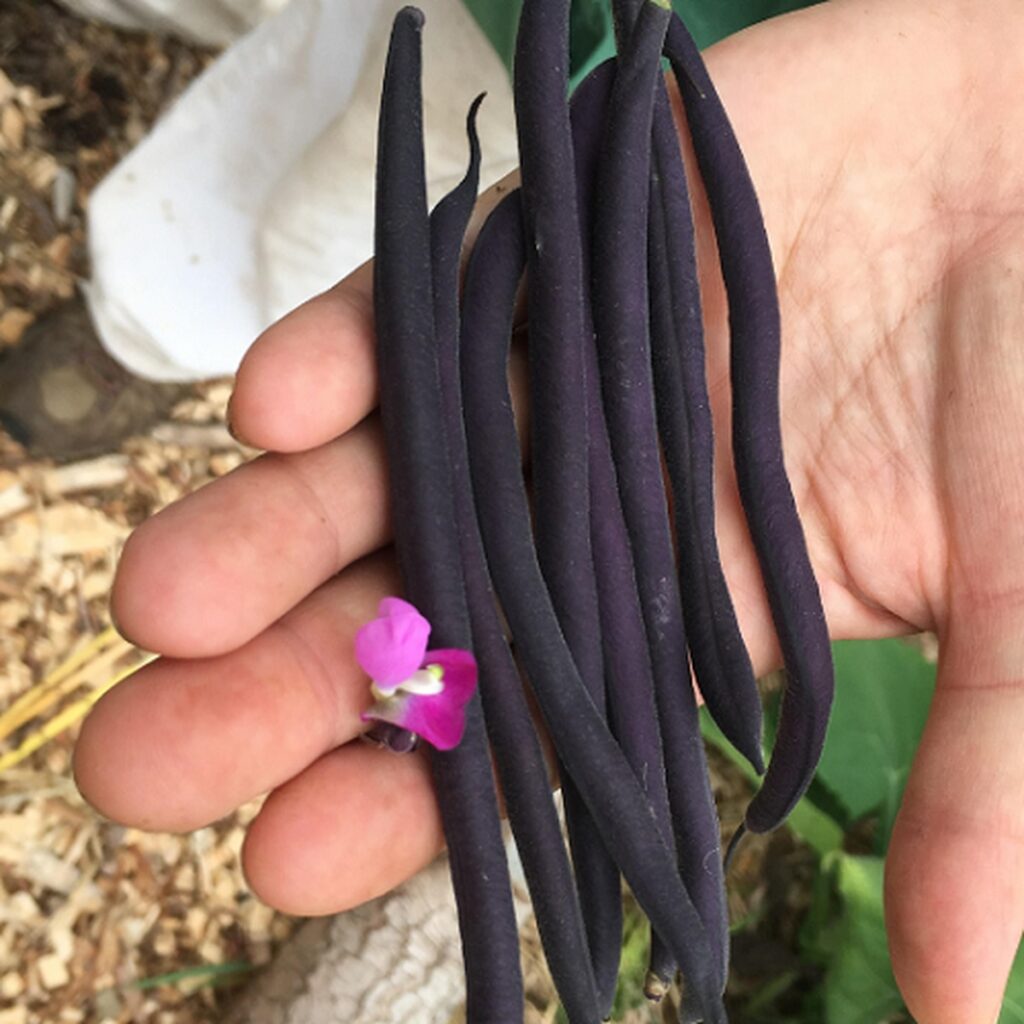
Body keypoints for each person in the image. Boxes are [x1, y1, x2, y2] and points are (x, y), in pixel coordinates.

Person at [71, 0, 1024, 1021]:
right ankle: (132, 305)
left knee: (386, 203)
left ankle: (150, 303)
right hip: (568, 70)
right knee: (314, 200)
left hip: (715, 98)